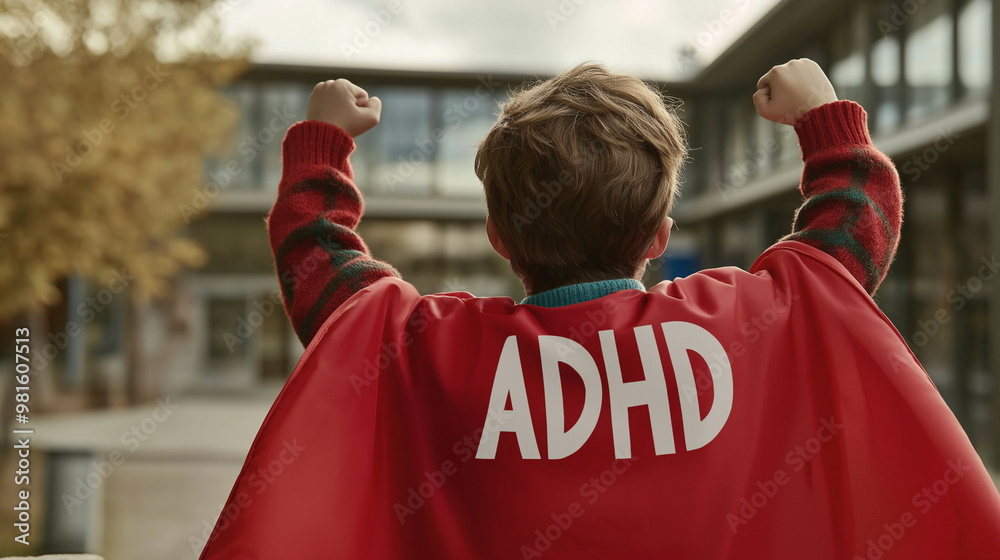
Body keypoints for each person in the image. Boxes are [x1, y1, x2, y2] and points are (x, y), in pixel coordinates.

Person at [199, 59, 1000, 559]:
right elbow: (854, 225)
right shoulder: (752, 324)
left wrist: (321, 142)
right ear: (659, 235)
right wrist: (823, 116)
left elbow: (317, 260)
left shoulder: (418, 349)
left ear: (497, 235)